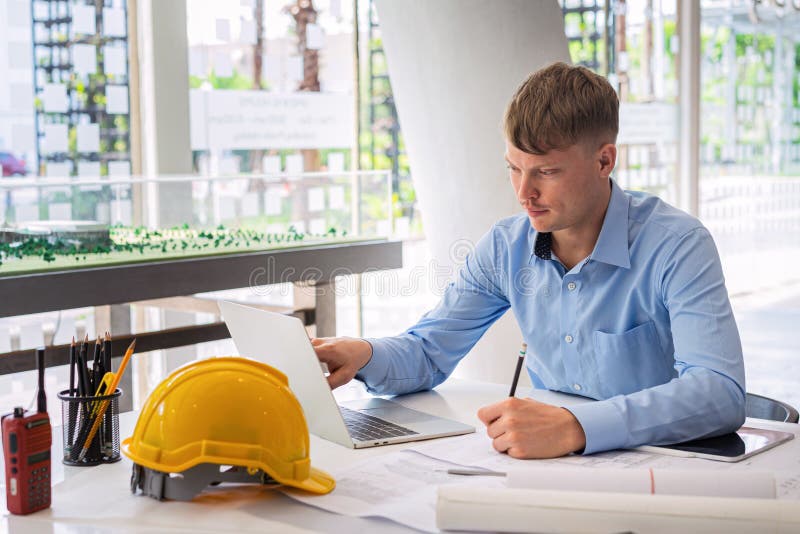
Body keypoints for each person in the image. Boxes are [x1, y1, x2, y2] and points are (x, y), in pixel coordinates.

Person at [312, 62, 745, 459]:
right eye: (514, 169)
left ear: (604, 160)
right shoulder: (506, 246)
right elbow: (427, 353)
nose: (524, 193)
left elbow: (718, 393)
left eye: (546, 171)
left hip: (664, 468)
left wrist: (578, 426)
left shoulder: (677, 244)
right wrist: (363, 354)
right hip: (547, 468)